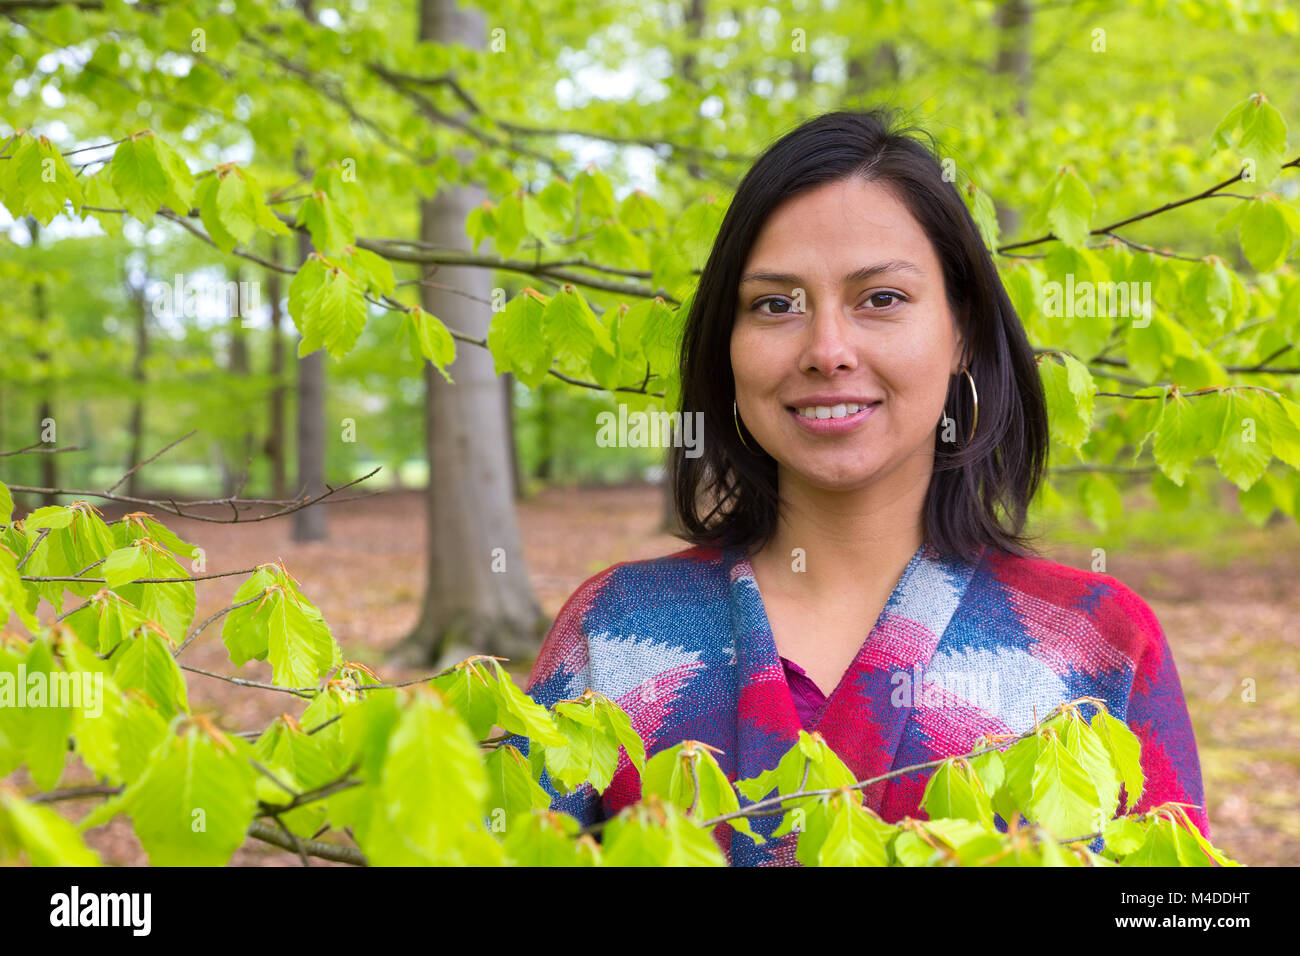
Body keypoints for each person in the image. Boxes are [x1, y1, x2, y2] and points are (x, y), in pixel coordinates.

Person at [505, 108, 1210, 866]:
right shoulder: (616, 631)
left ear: (962, 331)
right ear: (728, 345)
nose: (826, 350)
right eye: (775, 304)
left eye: (881, 298)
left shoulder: (1093, 640)